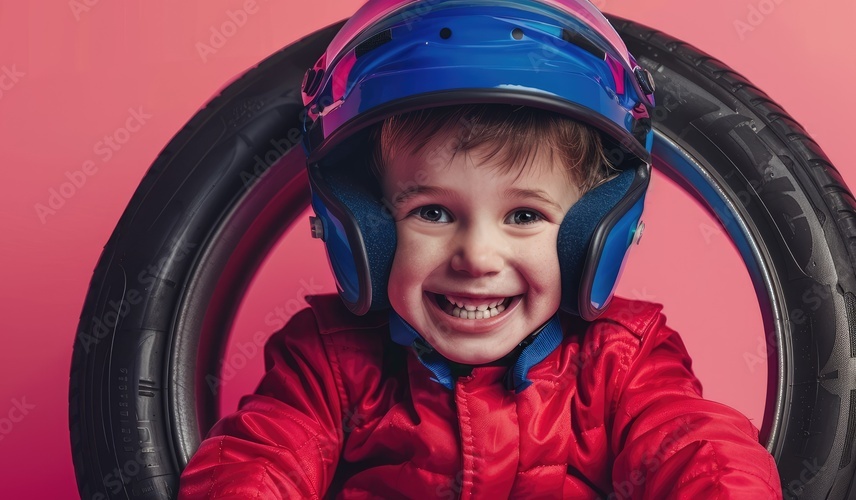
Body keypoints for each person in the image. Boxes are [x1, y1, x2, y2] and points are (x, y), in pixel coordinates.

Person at [179, 0, 783, 497]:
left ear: (593, 235)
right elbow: (258, 461)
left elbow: (698, 447)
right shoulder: (328, 365)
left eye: (524, 215)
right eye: (433, 213)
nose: (476, 257)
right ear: (364, 228)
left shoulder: (621, 362)